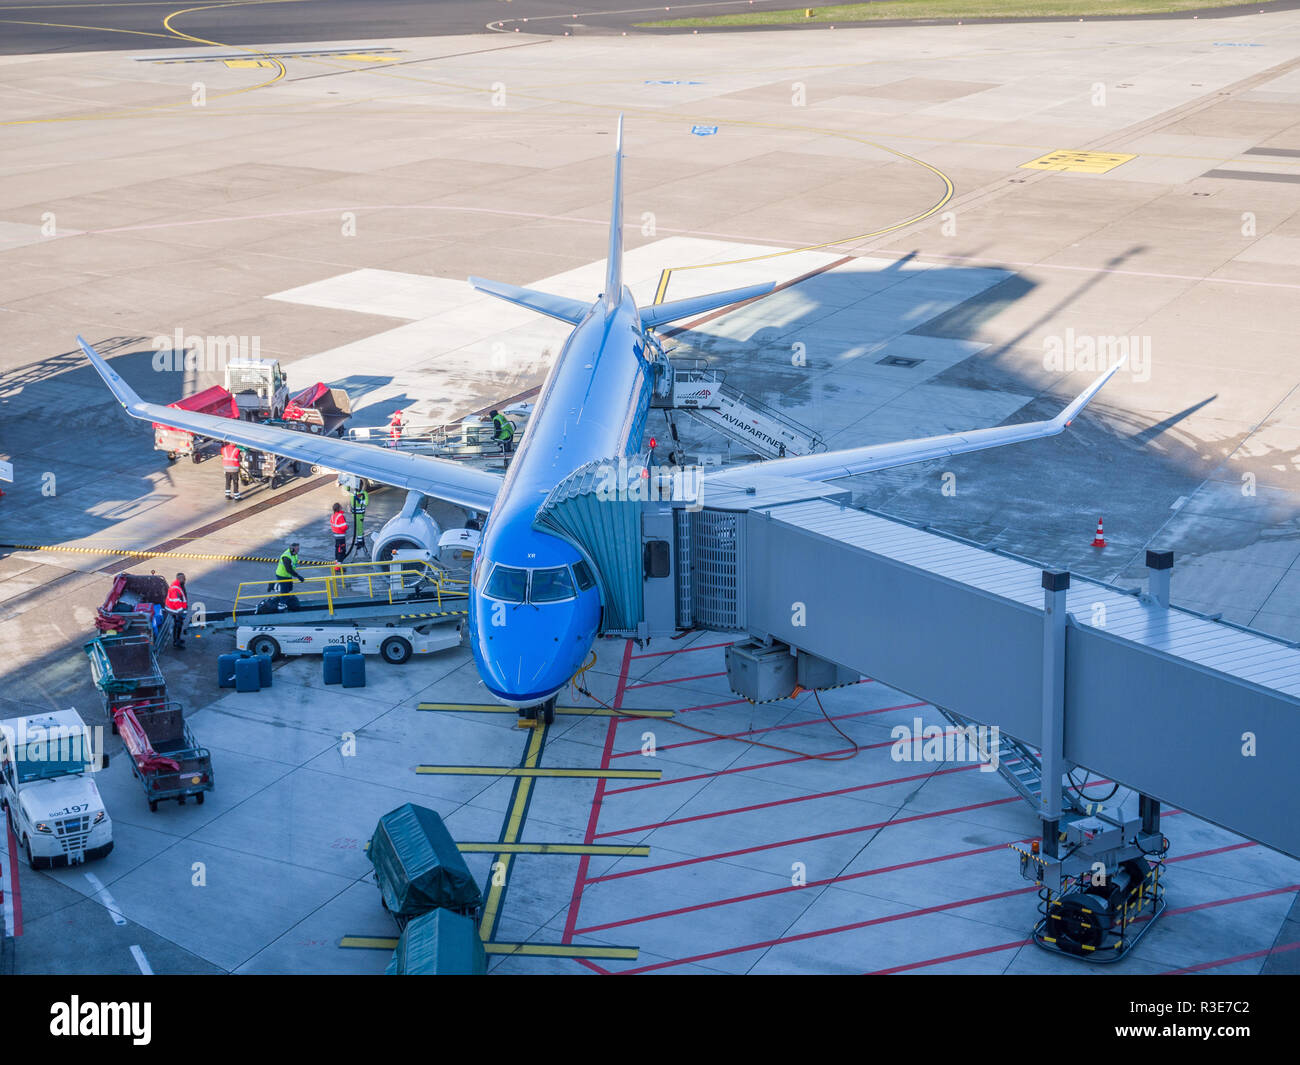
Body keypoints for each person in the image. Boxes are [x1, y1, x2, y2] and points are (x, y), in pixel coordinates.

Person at [274, 543, 304, 609]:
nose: (298, 550)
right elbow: (288, 569)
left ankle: (274, 586)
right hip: (282, 575)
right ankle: (281, 605)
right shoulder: (286, 557)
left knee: (290, 588)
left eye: (298, 549)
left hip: (288, 575)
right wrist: (298, 576)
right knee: (285, 591)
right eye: (297, 549)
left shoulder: (294, 554)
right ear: (292, 549)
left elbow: (293, 565)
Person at [164, 573, 188, 650]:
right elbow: (176, 601)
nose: (184, 579)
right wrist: (181, 612)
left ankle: (178, 638)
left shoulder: (180, 585)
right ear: (178, 579)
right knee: (177, 625)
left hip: (177, 610)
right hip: (176, 610)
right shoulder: (175, 588)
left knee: (179, 625)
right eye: (183, 578)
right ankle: (176, 642)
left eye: (184, 578)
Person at [350, 485, 369, 554]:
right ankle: (359, 541)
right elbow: (346, 488)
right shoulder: (352, 492)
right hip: (354, 514)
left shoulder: (364, 493)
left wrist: (360, 501)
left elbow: (366, 503)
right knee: (358, 529)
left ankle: (360, 542)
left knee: (359, 529)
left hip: (360, 514)